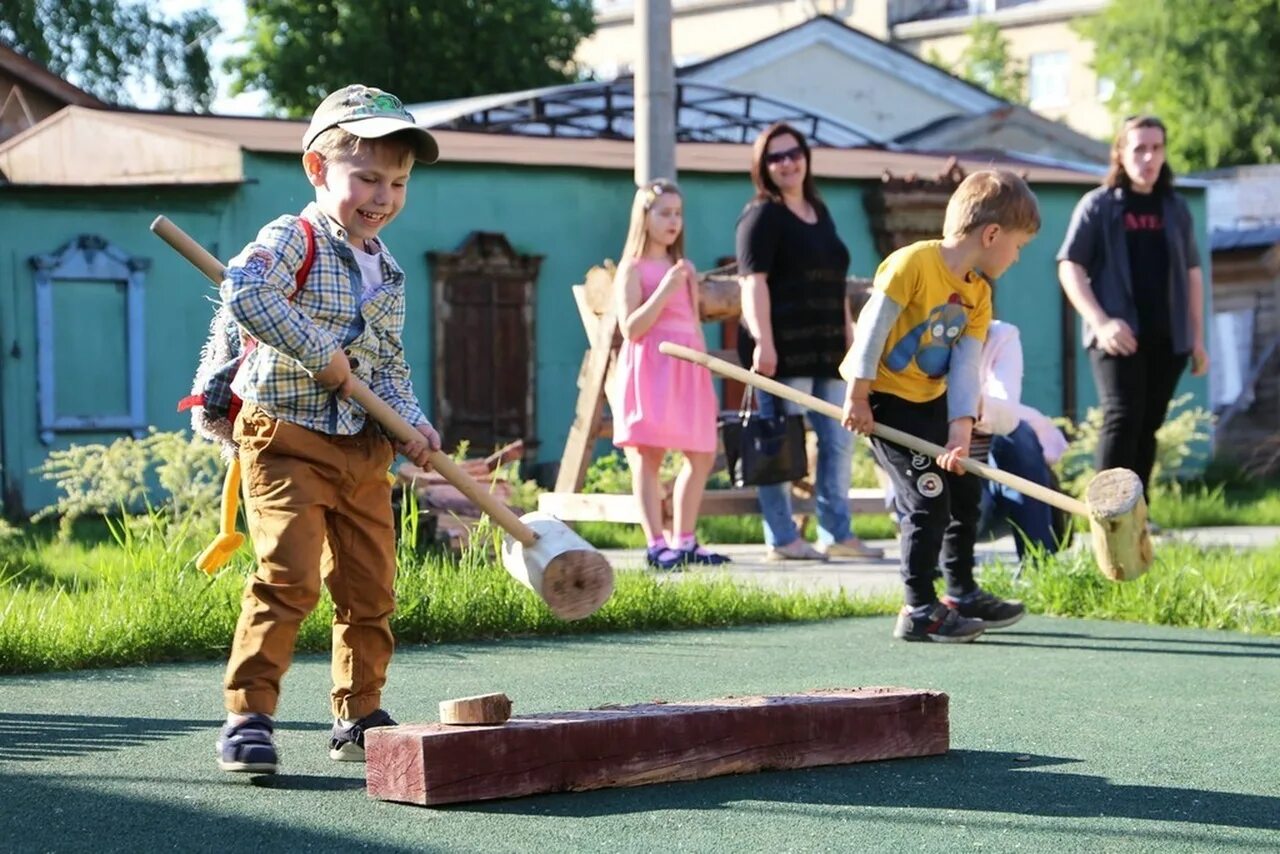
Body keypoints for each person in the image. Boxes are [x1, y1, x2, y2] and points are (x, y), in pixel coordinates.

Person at [214, 84, 442, 774]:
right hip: (287, 437)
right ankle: (249, 715)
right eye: (367, 177)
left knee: (371, 589)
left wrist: (413, 424)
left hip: (364, 452)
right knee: (288, 577)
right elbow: (245, 291)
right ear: (319, 169)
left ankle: (358, 711)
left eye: (397, 182)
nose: (383, 196)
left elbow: (388, 366)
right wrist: (319, 351)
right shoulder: (294, 236)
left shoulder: (390, 270)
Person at [841, 170, 1038, 643]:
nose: (1016, 256)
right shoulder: (911, 264)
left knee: (962, 489)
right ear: (991, 234)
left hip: (931, 402)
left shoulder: (978, 294)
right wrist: (858, 394)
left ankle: (960, 592)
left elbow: (965, 367)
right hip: (886, 404)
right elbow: (871, 330)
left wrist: (960, 429)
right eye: (1018, 245)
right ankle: (917, 608)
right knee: (927, 498)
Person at [736, 121, 882, 563]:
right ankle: (782, 538)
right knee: (783, 444)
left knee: (837, 444)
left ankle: (836, 532)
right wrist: (764, 341)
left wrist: (849, 333)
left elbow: (834, 281)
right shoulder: (760, 215)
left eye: (793, 153)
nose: (787, 163)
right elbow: (752, 284)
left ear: (806, 157)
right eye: (775, 157)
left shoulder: (820, 210)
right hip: (783, 352)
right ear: (764, 167)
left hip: (828, 354)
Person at [1057, 115, 1209, 500]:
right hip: (1117, 338)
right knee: (1122, 419)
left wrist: (1197, 339)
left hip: (1167, 336)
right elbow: (1070, 266)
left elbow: (1193, 273)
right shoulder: (1098, 206)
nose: (1149, 157)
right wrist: (1101, 321)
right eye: (1139, 148)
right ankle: (1106, 517)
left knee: (1148, 425)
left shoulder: (1176, 207)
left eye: (1156, 148)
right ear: (1120, 154)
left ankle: (1138, 516)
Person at [612, 179, 730, 571]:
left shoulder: (685, 268)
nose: (673, 221)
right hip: (652, 366)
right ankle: (656, 543)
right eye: (664, 212)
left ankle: (685, 539)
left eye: (678, 213)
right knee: (649, 457)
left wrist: (704, 367)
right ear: (644, 216)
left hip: (688, 369)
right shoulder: (632, 268)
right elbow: (630, 329)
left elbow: (694, 323)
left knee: (701, 454)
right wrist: (663, 290)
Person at [971, 320, 1071, 561]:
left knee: (1018, 432)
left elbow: (1005, 411)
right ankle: (947, 576)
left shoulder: (1000, 335)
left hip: (994, 493)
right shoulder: (917, 335)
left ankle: (1038, 563)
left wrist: (965, 401)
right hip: (941, 490)